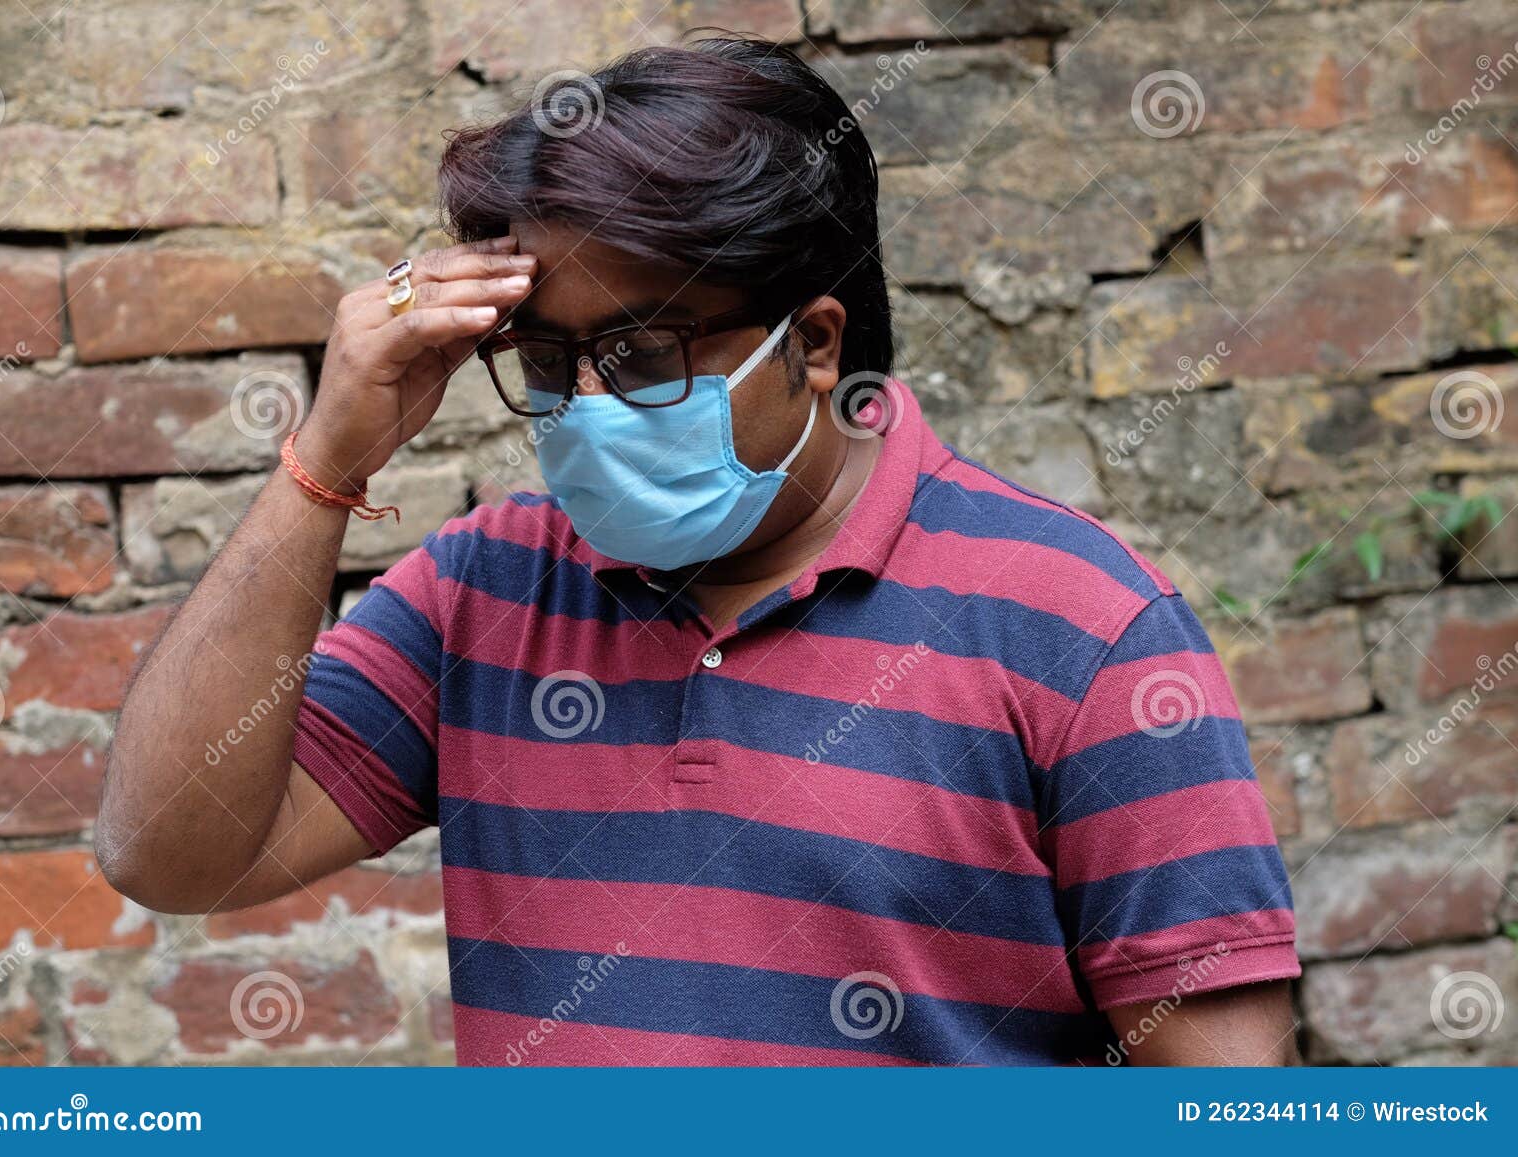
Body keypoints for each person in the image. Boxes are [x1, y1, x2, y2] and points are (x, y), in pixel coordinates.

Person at [99, 36, 1300, 1065]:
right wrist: (324, 463)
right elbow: (169, 852)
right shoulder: (487, 589)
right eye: (548, 360)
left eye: (642, 353)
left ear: (812, 342)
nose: (585, 402)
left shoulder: (1080, 625)